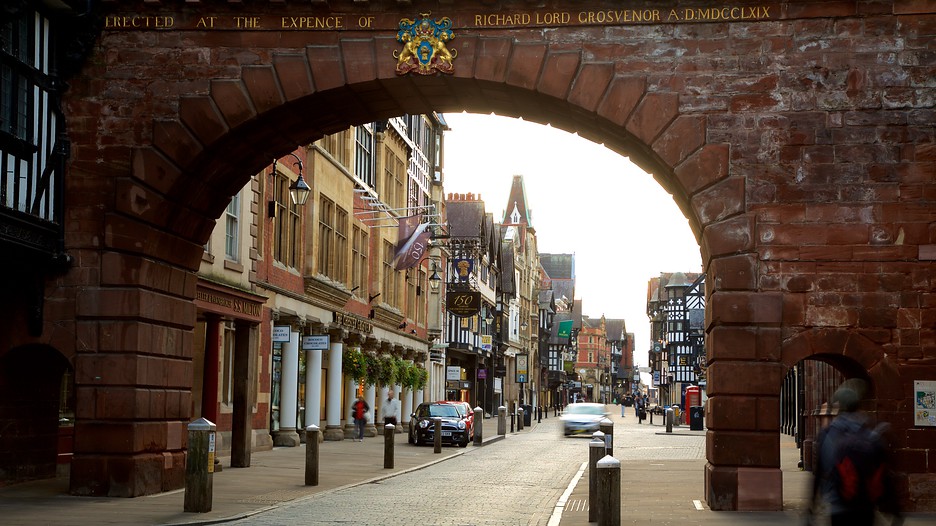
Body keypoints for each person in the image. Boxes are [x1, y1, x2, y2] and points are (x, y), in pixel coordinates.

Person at [807, 383, 903, 526]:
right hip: (866, 508)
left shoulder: (827, 434)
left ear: (839, 406)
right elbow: (885, 473)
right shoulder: (870, 434)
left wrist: (812, 508)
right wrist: (895, 510)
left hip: (838, 507)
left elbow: (820, 473)